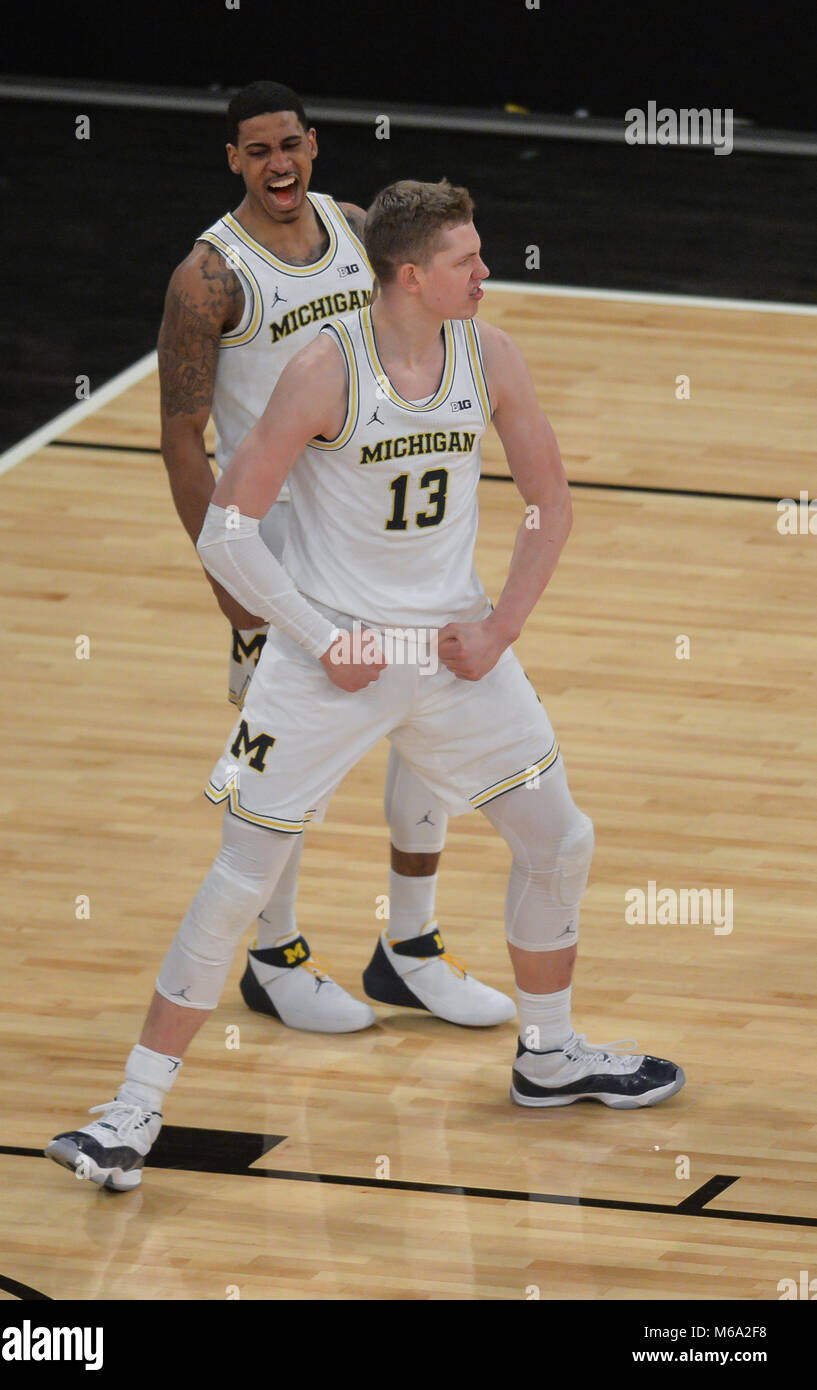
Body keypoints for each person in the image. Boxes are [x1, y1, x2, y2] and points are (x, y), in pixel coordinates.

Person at [46, 178, 684, 1192]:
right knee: (239, 880)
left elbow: (549, 505)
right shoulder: (323, 369)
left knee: (559, 837)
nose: (488, 273)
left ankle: (549, 1055)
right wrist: (313, 633)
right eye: (470, 260)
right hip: (325, 663)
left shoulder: (492, 354)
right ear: (410, 275)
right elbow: (228, 530)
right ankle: (130, 1110)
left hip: (450, 656)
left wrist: (501, 623)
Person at [154, 79, 513, 1034]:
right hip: (281, 562)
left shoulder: (359, 231)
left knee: (430, 734)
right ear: (233, 159)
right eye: (257, 151)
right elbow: (183, 435)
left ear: (313, 146)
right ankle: (274, 960)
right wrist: (224, 578)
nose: (278, 165)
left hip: (377, 544)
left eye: (291, 146)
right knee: (285, 778)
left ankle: (410, 944)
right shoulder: (208, 278)